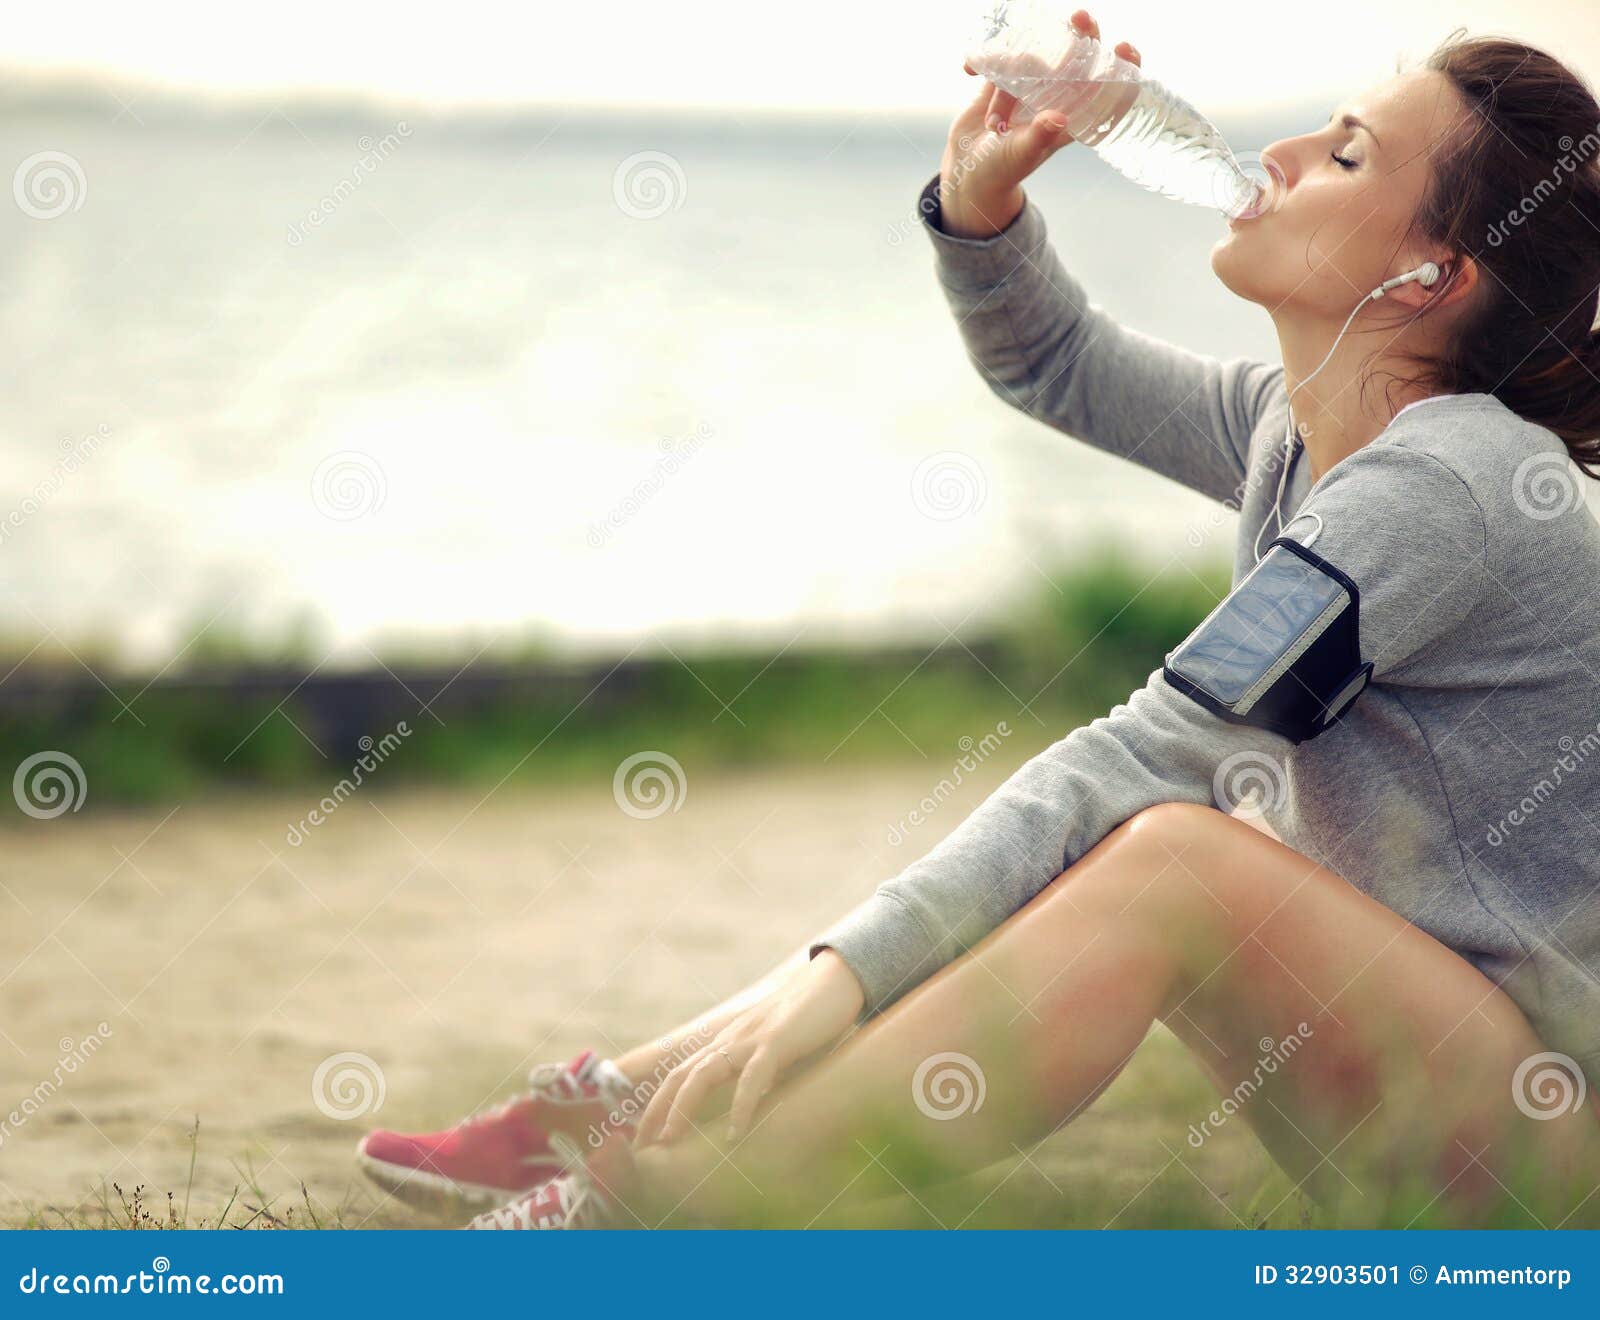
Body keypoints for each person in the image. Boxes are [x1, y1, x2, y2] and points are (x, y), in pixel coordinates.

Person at [360, 11, 1600, 1228]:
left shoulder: (1444, 487)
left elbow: (1153, 753)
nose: (1274, 157)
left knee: (1174, 854)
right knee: (1125, 839)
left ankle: (651, 1212)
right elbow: (1053, 362)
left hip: (1540, 1148)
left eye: (1343, 156)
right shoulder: (1302, 428)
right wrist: (980, 211)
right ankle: (631, 1109)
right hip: (1418, 1089)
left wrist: (842, 970)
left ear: (1431, 274)